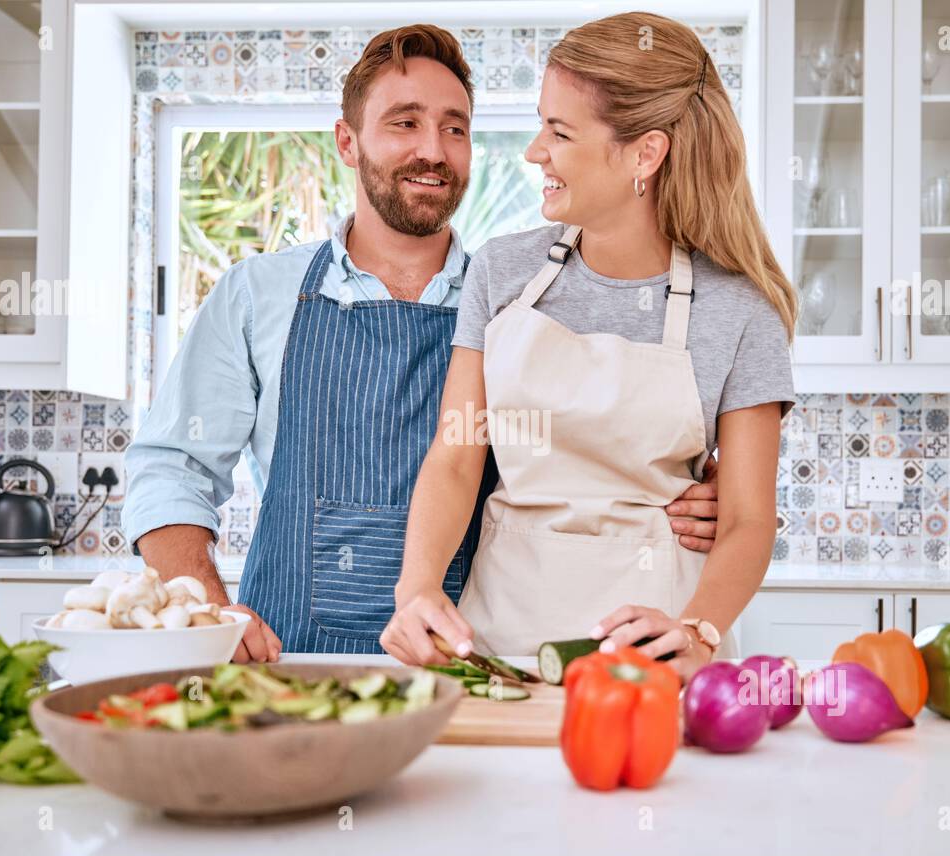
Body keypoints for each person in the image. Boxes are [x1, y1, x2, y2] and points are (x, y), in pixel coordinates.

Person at [122, 24, 721, 660]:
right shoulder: (256, 294)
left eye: (455, 128)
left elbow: (599, 440)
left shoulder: (526, 303)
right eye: (404, 123)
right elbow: (172, 469)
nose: (433, 150)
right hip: (289, 666)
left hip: (477, 666)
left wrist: (689, 485)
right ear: (347, 143)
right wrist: (208, 608)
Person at [381, 12, 797, 681]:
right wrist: (417, 588)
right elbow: (458, 454)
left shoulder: (740, 311)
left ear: (645, 154)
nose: (533, 150)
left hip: (656, 657)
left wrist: (698, 631)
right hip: (496, 643)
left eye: (559, 130)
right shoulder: (502, 273)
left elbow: (750, 519)